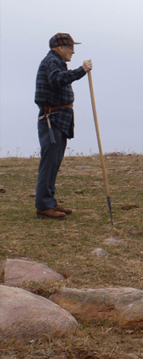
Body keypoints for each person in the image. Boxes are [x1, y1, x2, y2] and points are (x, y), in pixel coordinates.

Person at [34, 33, 92, 220]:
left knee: (54, 162)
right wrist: (81, 70)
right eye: (70, 47)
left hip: (59, 118)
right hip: (53, 119)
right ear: (60, 48)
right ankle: (44, 206)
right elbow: (57, 80)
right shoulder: (52, 62)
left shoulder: (56, 62)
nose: (73, 51)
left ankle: (49, 201)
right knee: (49, 162)